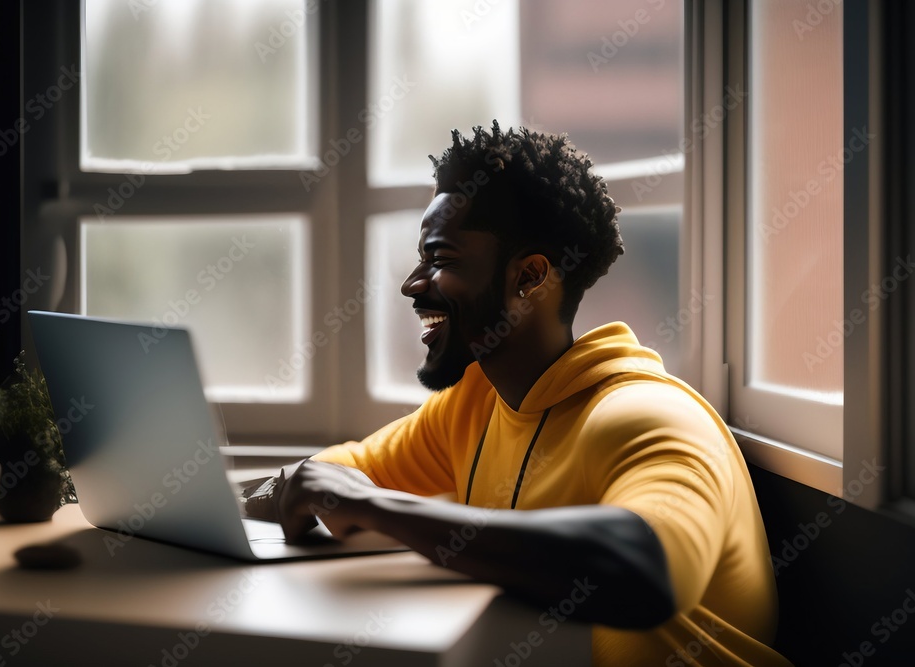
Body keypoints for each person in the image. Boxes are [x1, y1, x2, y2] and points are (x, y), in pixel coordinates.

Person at [249, 122, 791, 666]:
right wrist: (272, 492)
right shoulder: (474, 403)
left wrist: (371, 505)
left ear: (530, 277)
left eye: (442, 259)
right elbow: (336, 476)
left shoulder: (647, 415)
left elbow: (645, 571)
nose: (413, 284)